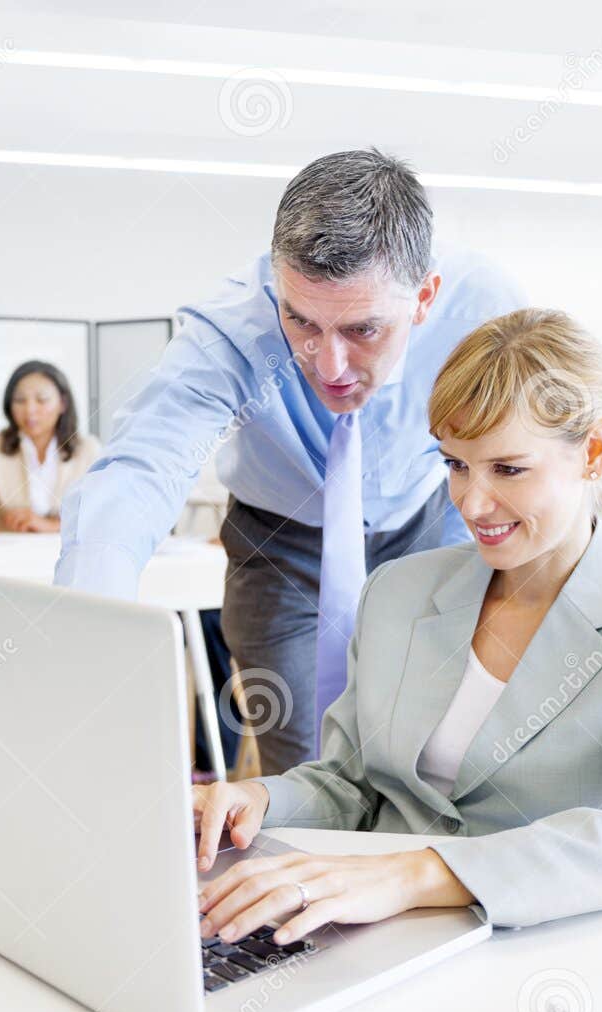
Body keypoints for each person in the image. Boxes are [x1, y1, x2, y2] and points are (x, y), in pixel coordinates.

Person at [190, 309, 602, 937]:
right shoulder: (398, 591)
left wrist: (418, 875)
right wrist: (260, 799)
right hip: (361, 929)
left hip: (539, 945)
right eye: (455, 464)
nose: (471, 503)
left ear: (595, 450)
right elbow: (351, 784)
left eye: (508, 469)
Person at [56, 149, 523, 775]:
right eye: (300, 320)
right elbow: (144, 465)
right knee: (307, 764)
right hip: (281, 543)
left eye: (362, 331)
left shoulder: (487, 312)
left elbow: (545, 451)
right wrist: (89, 625)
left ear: (424, 298)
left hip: (428, 527)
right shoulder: (234, 324)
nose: (327, 366)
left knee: (434, 756)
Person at [0, 360, 101, 544]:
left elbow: (98, 517)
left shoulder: (88, 450)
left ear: (62, 403)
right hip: (8, 556)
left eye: (42, 400)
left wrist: (49, 525)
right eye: (20, 400)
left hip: (68, 554)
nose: (30, 410)